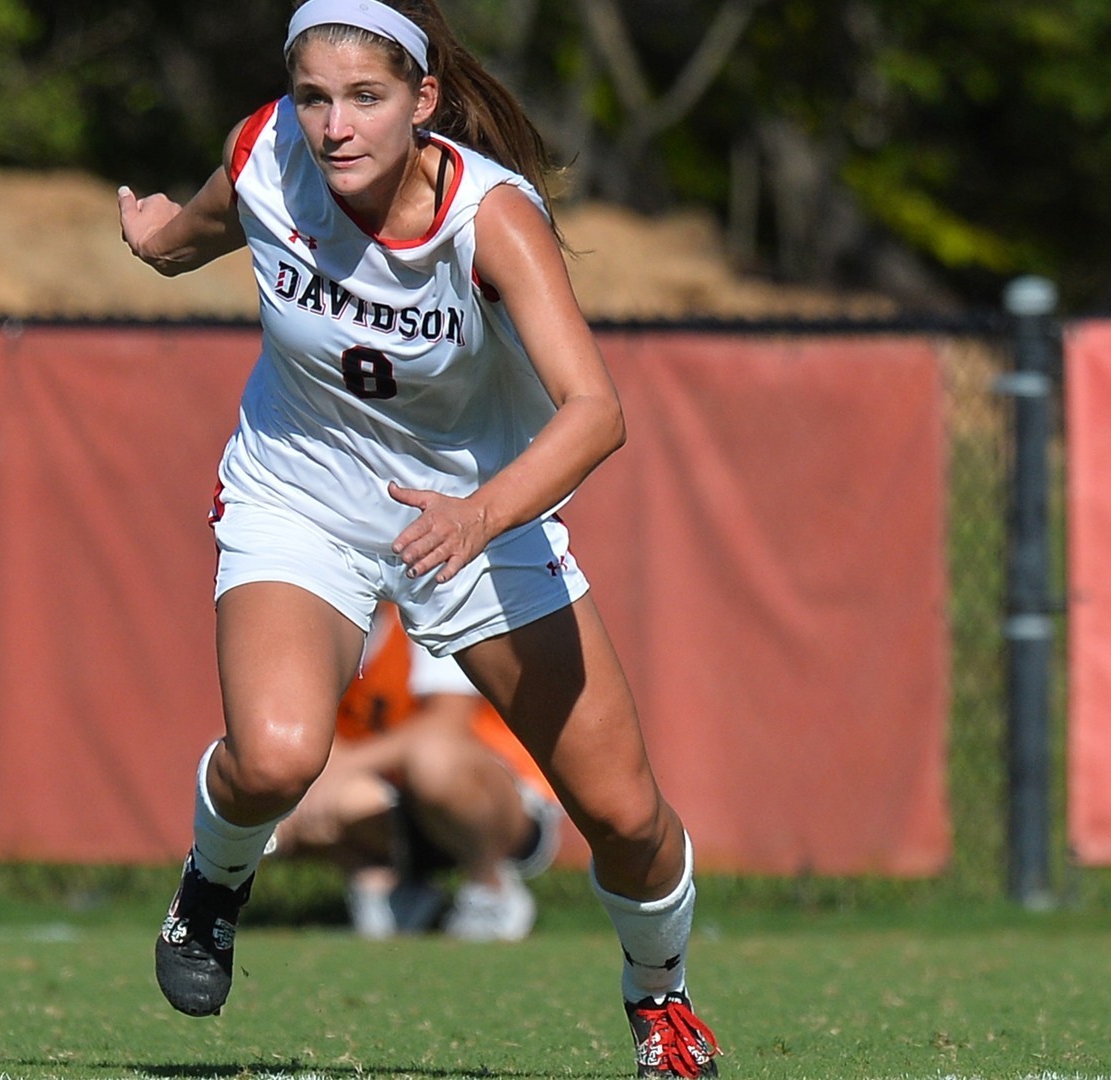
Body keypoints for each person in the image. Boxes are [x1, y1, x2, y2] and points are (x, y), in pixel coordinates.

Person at [117, 1, 720, 1074]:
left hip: (478, 517)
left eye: (366, 98)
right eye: (314, 97)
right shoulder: (265, 153)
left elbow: (596, 410)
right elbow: (200, 230)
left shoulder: (490, 220)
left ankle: (659, 997)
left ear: (423, 102)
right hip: (300, 497)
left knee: (628, 817)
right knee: (278, 757)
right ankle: (212, 886)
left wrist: (480, 516)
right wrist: (154, 237)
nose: (334, 127)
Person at [267, 603, 563, 942]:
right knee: (279, 778)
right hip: (397, 797)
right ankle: (391, 891)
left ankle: (490, 888)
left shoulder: (430, 606)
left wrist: (338, 767)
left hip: (496, 794)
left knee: (432, 762)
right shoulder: (323, 626)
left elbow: (444, 725)